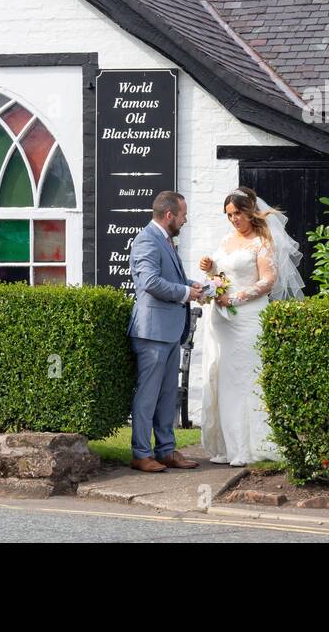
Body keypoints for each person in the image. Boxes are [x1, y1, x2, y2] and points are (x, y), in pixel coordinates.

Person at [197, 187, 304, 466]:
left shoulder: (262, 242)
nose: (233, 219)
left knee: (247, 378)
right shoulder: (226, 240)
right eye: (229, 215)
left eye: (237, 213)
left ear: (249, 211)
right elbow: (222, 275)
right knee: (223, 378)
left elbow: (267, 280)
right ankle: (229, 446)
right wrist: (209, 271)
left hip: (248, 318)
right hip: (222, 320)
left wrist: (234, 297)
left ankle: (253, 447)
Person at [127, 190, 204, 473]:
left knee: (167, 395)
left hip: (169, 331)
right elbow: (150, 282)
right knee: (148, 396)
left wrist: (196, 287)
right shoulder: (147, 239)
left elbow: (175, 279)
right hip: (152, 332)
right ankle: (141, 453)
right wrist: (186, 293)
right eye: (183, 215)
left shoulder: (165, 239)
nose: (185, 220)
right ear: (169, 215)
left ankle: (166, 450)